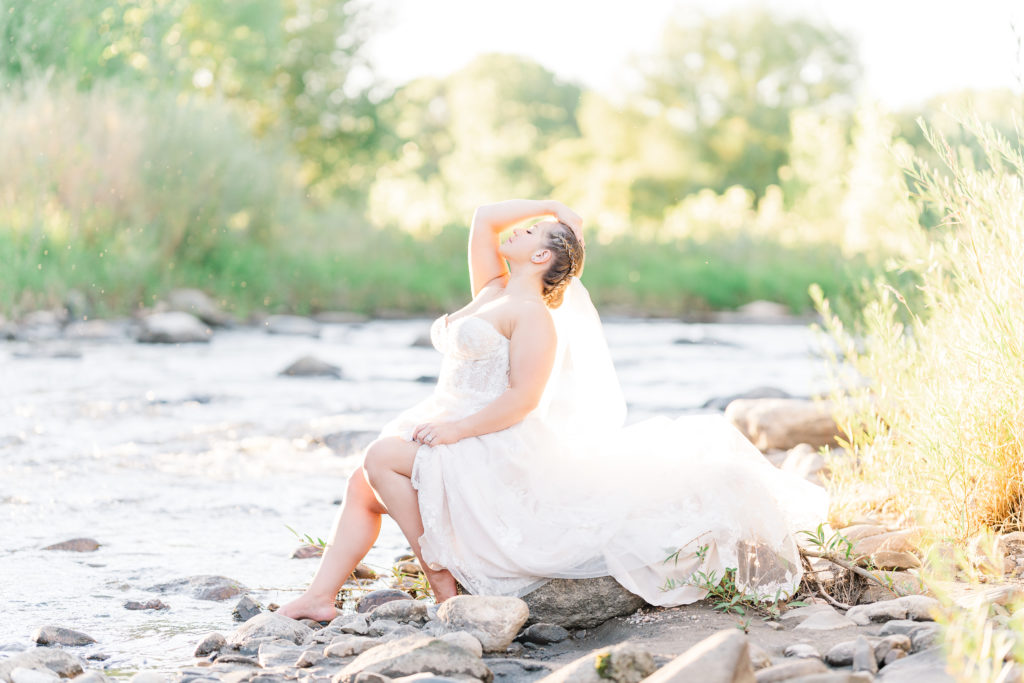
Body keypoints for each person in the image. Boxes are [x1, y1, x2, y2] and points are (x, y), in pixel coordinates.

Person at [278, 199, 827, 622]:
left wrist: (454, 432)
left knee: (379, 457)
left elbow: (523, 400)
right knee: (360, 484)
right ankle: (319, 598)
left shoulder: (532, 315)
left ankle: (441, 575)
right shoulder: (492, 287)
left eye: (534, 231)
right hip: (449, 424)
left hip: (487, 438)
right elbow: (484, 218)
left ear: (541, 257)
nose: (518, 228)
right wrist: (555, 206)